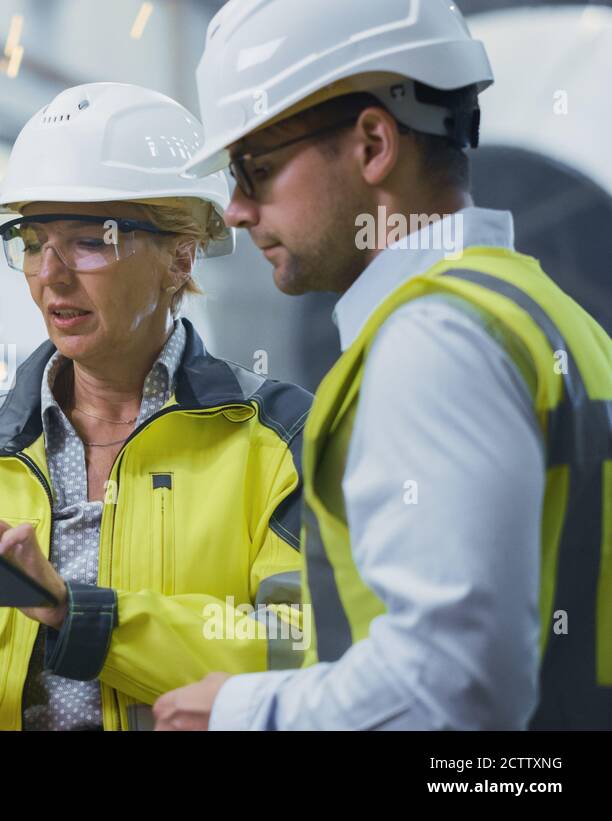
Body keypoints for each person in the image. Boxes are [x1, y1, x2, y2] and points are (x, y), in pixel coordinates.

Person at [155, 0, 612, 730]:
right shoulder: (546, 314)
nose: (237, 209)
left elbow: (455, 683)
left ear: (373, 143)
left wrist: (245, 713)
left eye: (257, 168)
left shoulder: (432, 342)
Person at [0, 83, 313, 730]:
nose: (51, 274)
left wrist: (77, 613)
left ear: (180, 256)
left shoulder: (277, 440)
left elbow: (306, 661)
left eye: (91, 239)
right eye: (34, 238)